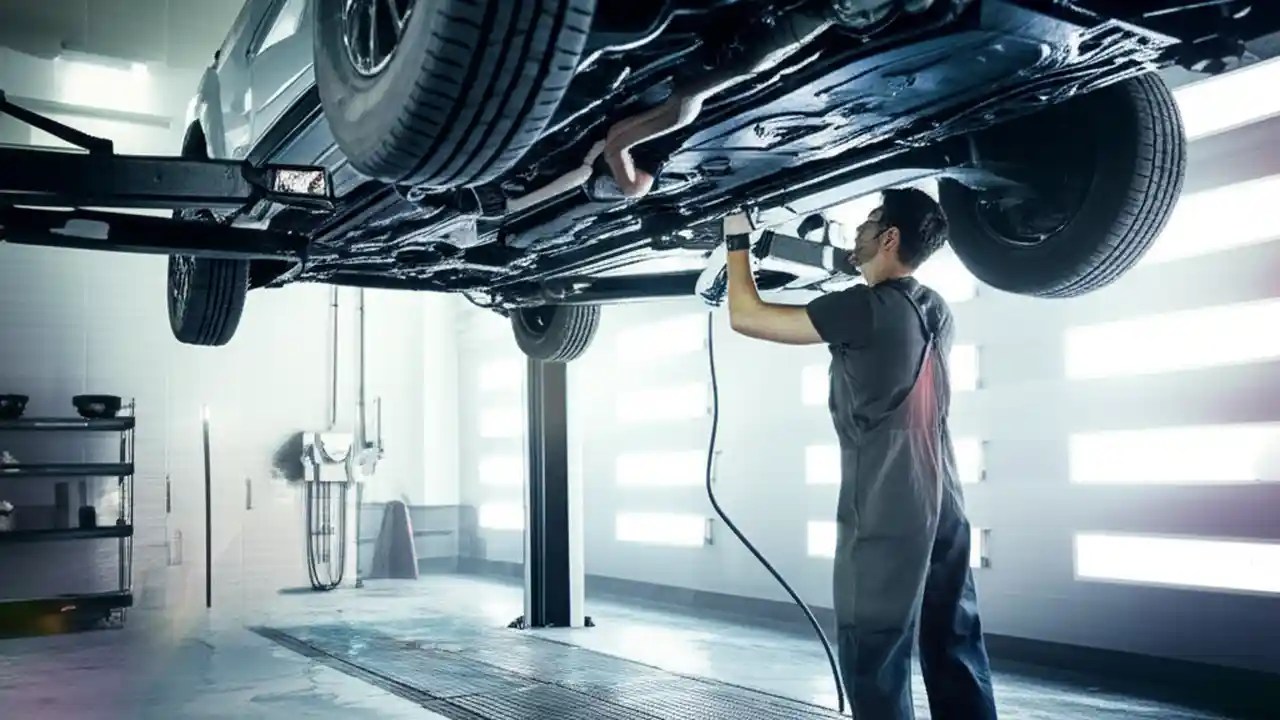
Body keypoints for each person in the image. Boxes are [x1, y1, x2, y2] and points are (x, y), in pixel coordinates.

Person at [720, 188, 999, 719]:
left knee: (874, 646)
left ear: (890, 237)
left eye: (870, 221)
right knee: (954, 635)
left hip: (887, 503)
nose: (858, 229)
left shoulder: (865, 309)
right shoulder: (936, 309)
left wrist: (736, 239)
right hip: (945, 499)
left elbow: (747, 315)